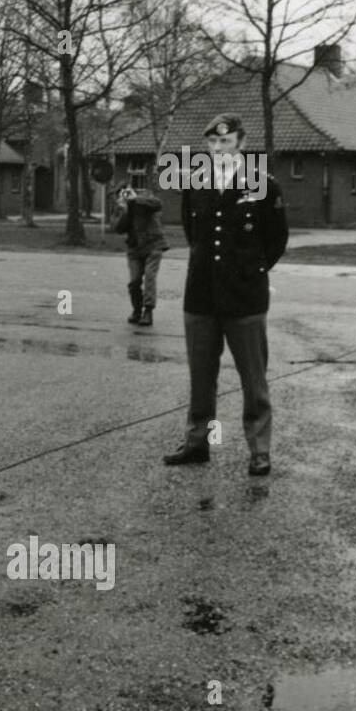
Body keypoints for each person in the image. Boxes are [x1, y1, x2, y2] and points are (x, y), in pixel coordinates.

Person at [164, 113, 288, 477]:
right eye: (213, 144)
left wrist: (252, 271)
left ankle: (259, 450)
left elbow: (276, 239)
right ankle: (196, 443)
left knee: (253, 379)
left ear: (242, 145)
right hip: (200, 296)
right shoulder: (195, 182)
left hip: (245, 298)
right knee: (201, 375)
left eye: (227, 143)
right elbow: (193, 233)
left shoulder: (263, 184)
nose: (219, 150)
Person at [112, 183, 167, 327]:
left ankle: (148, 311)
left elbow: (158, 204)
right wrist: (124, 210)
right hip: (134, 248)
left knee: (150, 277)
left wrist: (136, 200)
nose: (122, 195)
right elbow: (117, 228)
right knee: (134, 281)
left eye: (124, 192)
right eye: (119, 194)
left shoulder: (144, 197)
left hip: (153, 244)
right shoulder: (120, 207)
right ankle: (136, 309)